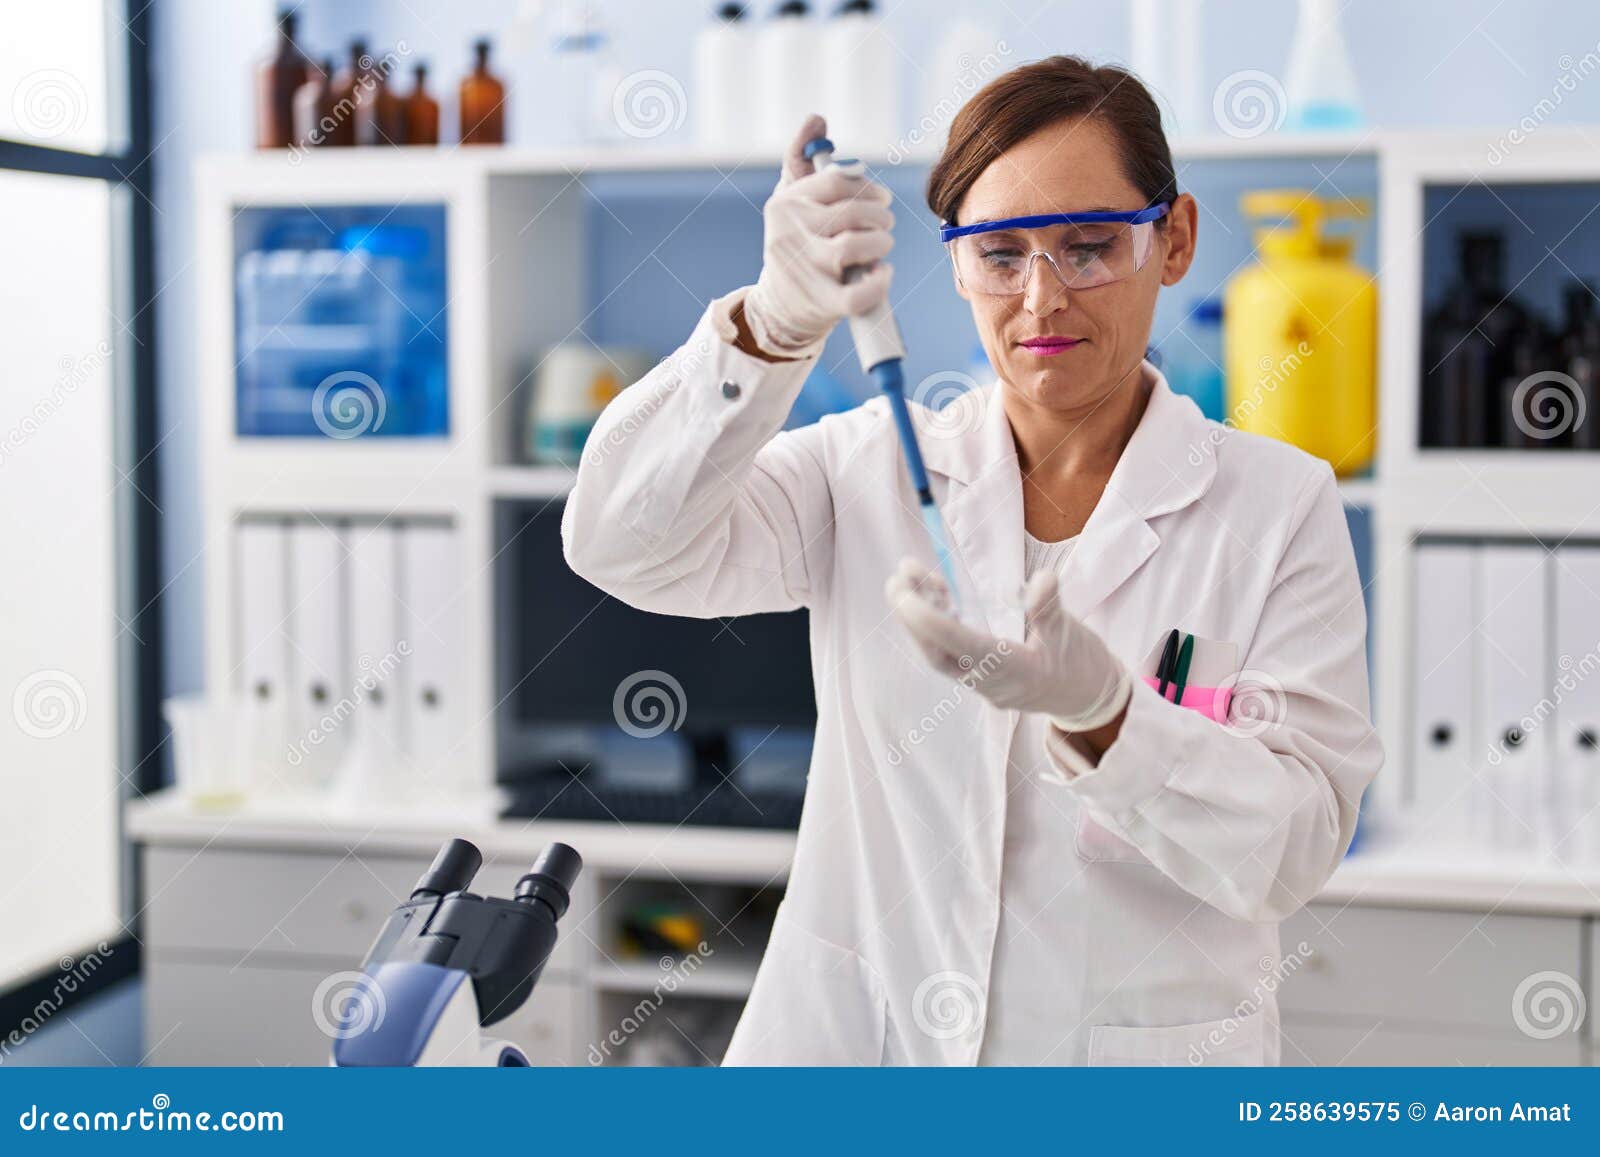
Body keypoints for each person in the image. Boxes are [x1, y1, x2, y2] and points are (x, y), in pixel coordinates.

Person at [562, 55, 1382, 1066]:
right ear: (954, 264)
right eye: (999, 253)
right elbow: (622, 543)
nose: (1041, 299)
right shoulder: (861, 469)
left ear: (1173, 240)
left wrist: (1111, 718)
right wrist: (771, 325)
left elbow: (1290, 851)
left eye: (1088, 247)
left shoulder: (1277, 504)